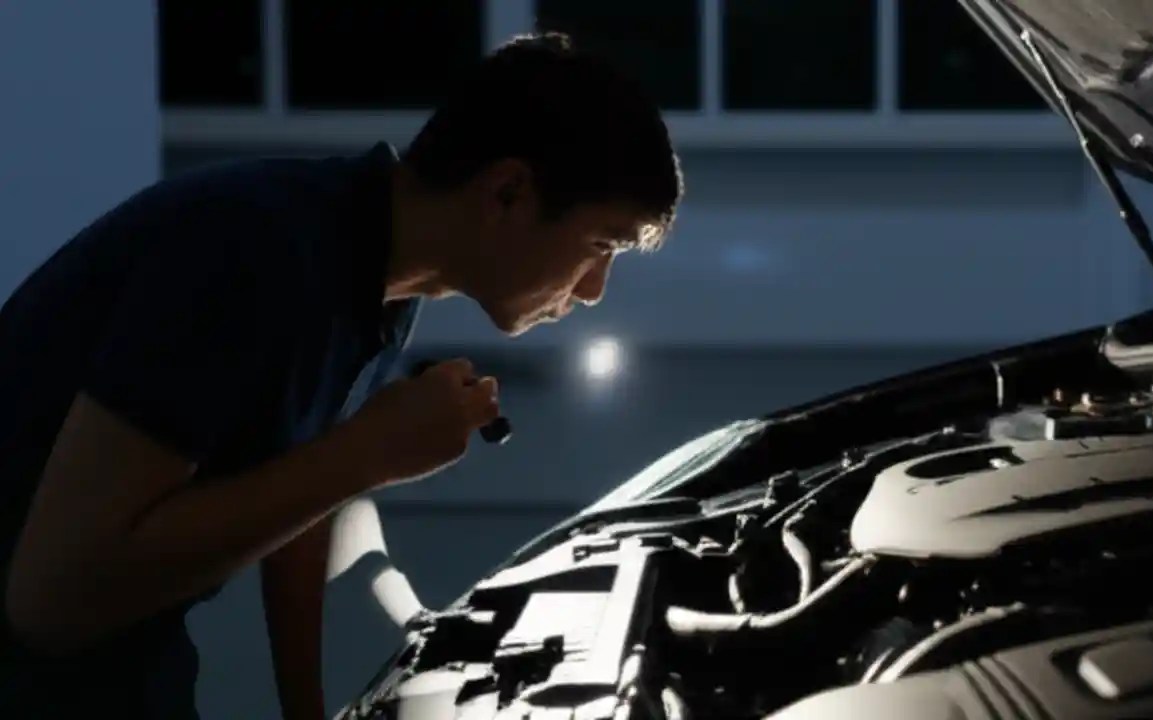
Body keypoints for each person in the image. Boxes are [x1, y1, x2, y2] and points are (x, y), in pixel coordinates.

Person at [0, 32, 682, 718]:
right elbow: (50, 600)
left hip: (124, 667)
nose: (594, 290)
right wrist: (369, 454)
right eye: (601, 246)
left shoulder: (384, 280)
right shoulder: (253, 255)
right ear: (506, 192)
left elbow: (299, 497)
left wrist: (307, 706)